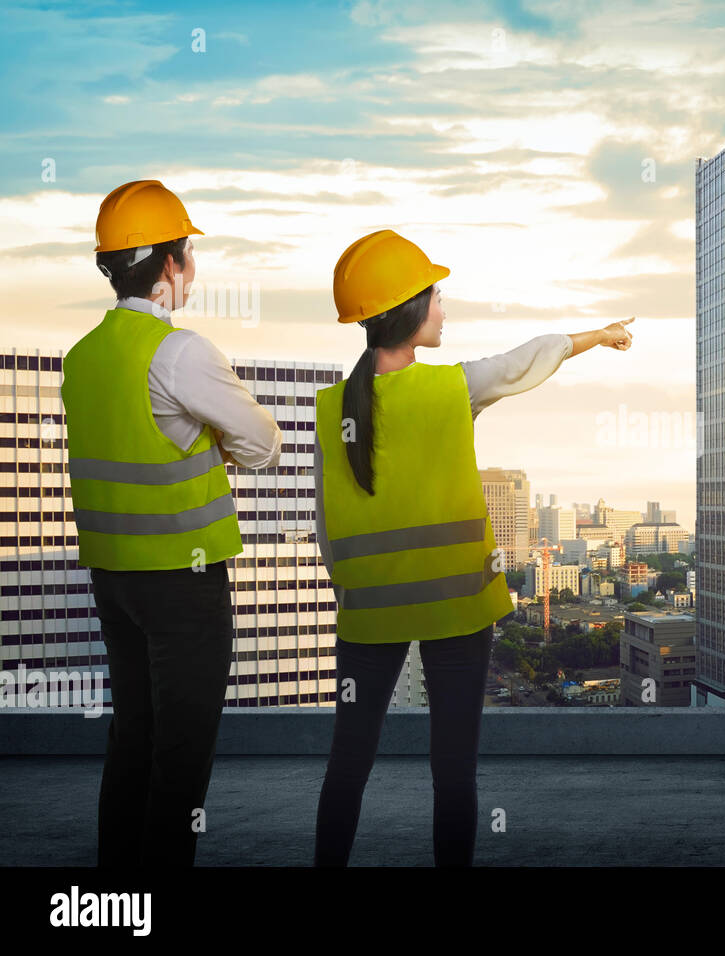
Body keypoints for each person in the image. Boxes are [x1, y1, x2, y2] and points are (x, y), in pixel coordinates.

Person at [313, 229, 633, 866]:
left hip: (367, 616)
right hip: (459, 610)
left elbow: (325, 522)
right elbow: (525, 360)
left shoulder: (331, 408)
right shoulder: (452, 387)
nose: (442, 306)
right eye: (435, 295)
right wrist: (595, 337)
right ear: (409, 309)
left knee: (347, 766)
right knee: (453, 771)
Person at [63, 180, 282, 866]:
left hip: (114, 582)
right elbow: (265, 444)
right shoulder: (181, 352)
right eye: (187, 253)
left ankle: (118, 897)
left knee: (133, 737)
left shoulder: (82, 358)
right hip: (183, 586)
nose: (191, 269)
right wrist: (213, 443)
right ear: (168, 264)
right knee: (181, 761)